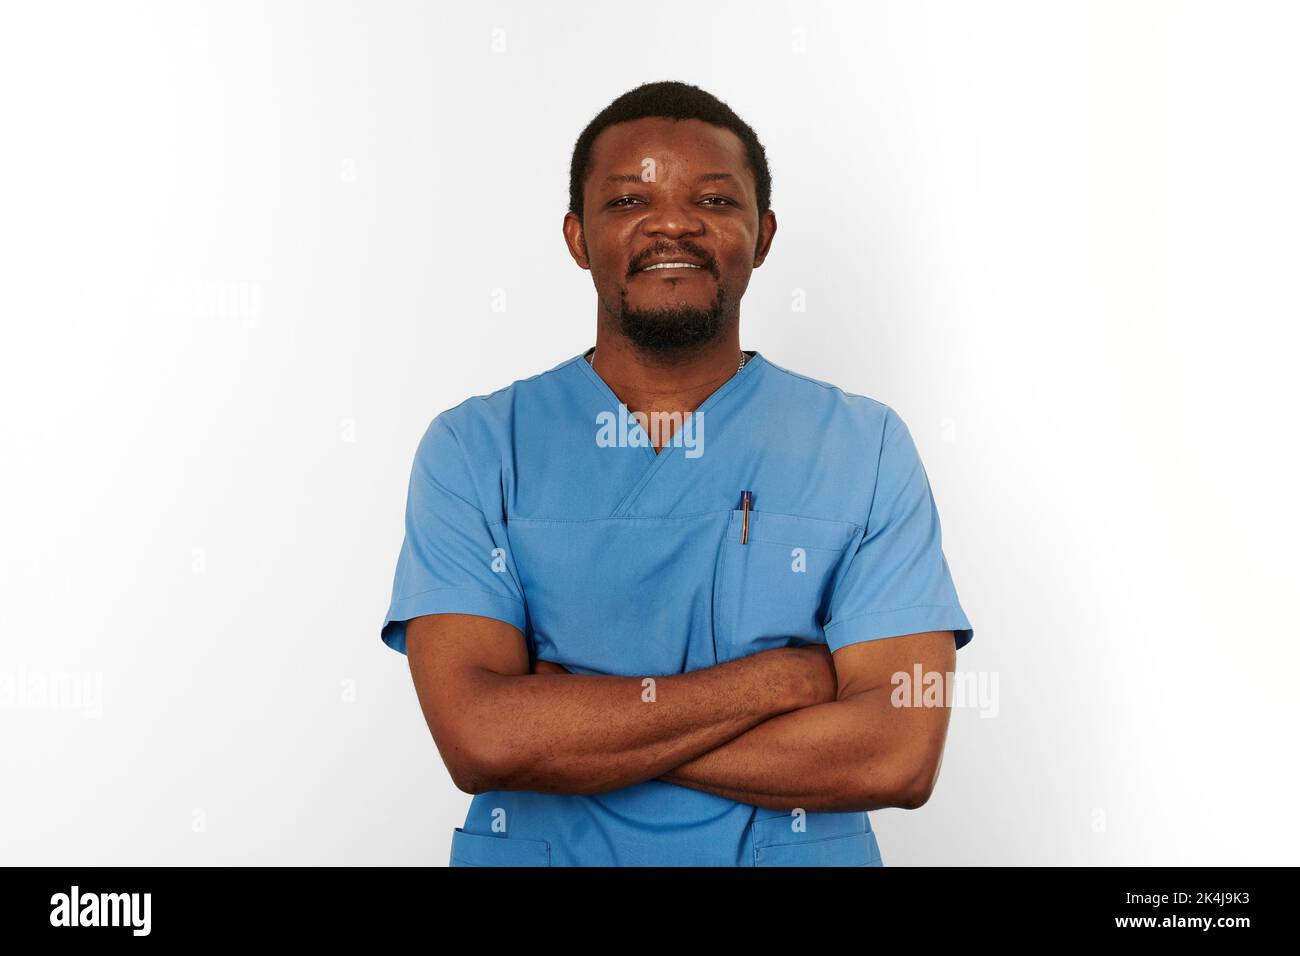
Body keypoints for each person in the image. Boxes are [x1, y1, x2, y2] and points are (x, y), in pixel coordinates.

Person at [379, 80, 974, 866]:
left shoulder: (863, 447)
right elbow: (482, 740)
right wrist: (780, 684)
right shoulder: (475, 449)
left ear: (762, 237)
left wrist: (567, 721)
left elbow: (897, 752)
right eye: (628, 201)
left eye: (716, 202)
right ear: (578, 237)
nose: (673, 223)